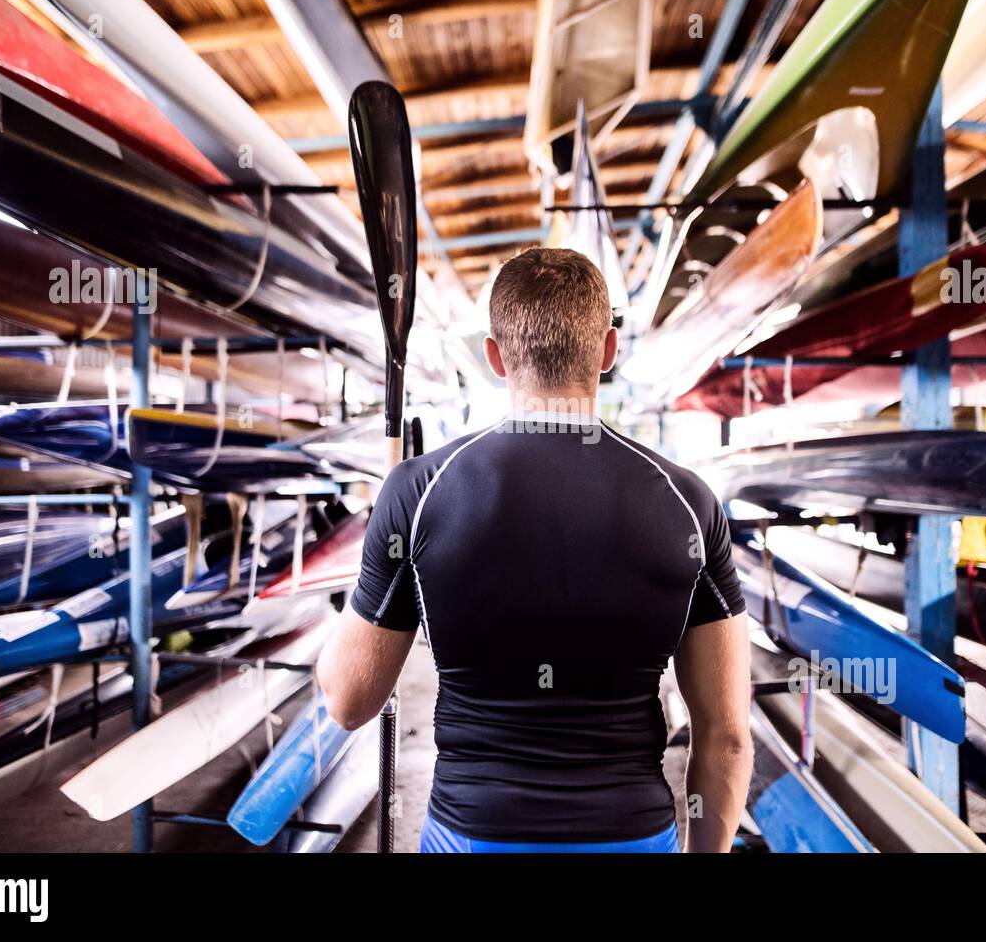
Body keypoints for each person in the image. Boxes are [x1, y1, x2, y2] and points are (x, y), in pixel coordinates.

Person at [317, 247, 751, 853]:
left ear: (494, 356)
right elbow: (726, 737)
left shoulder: (419, 491)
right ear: (607, 350)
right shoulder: (688, 502)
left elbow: (348, 701)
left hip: (473, 833)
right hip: (630, 835)